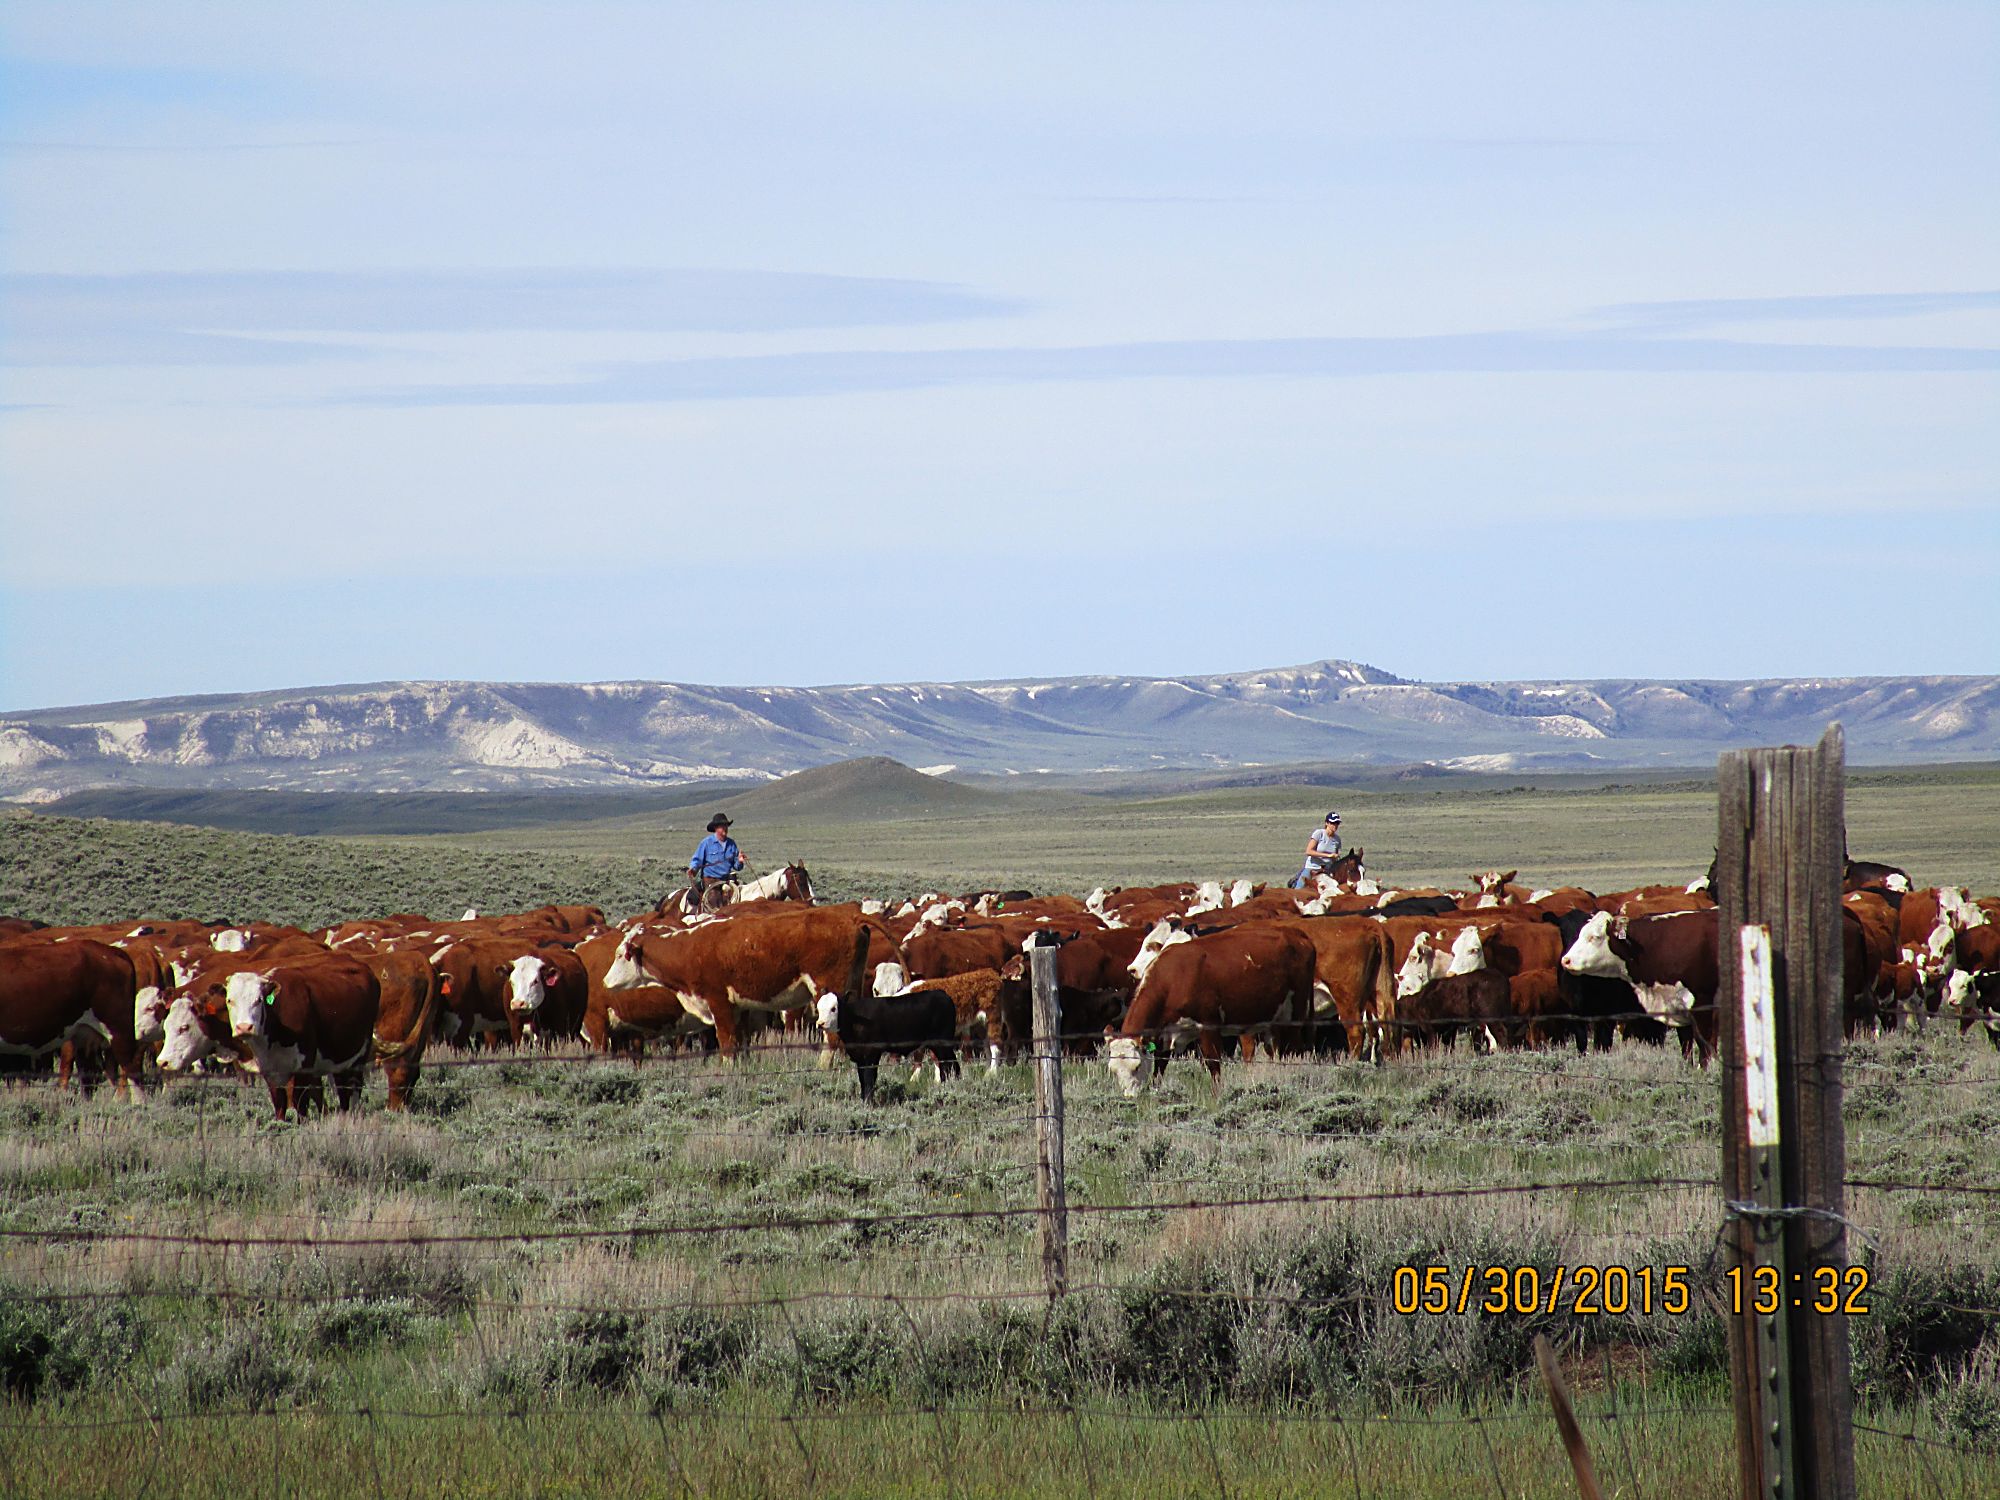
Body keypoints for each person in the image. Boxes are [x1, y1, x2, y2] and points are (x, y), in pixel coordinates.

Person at [687, 814, 747, 911]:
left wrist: (740, 861)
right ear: (716, 828)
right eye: (722, 826)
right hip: (711, 881)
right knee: (714, 901)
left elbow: (737, 866)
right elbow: (697, 860)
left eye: (726, 826)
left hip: (727, 880)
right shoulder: (706, 843)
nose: (725, 828)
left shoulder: (731, 844)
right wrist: (693, 869)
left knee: (742, 898)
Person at [1290, 812, 1344, 889]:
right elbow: (1309, 851)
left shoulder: (1337, 839)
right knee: (1299, 889)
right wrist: (1328, 855)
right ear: (1327, 823)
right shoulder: (1319, 833)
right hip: (1313, 867)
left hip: (1327, 870)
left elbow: (1335, 857)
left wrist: (1335, 858)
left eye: (1337, 823)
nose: (1335, 825)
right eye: (1332, 823)